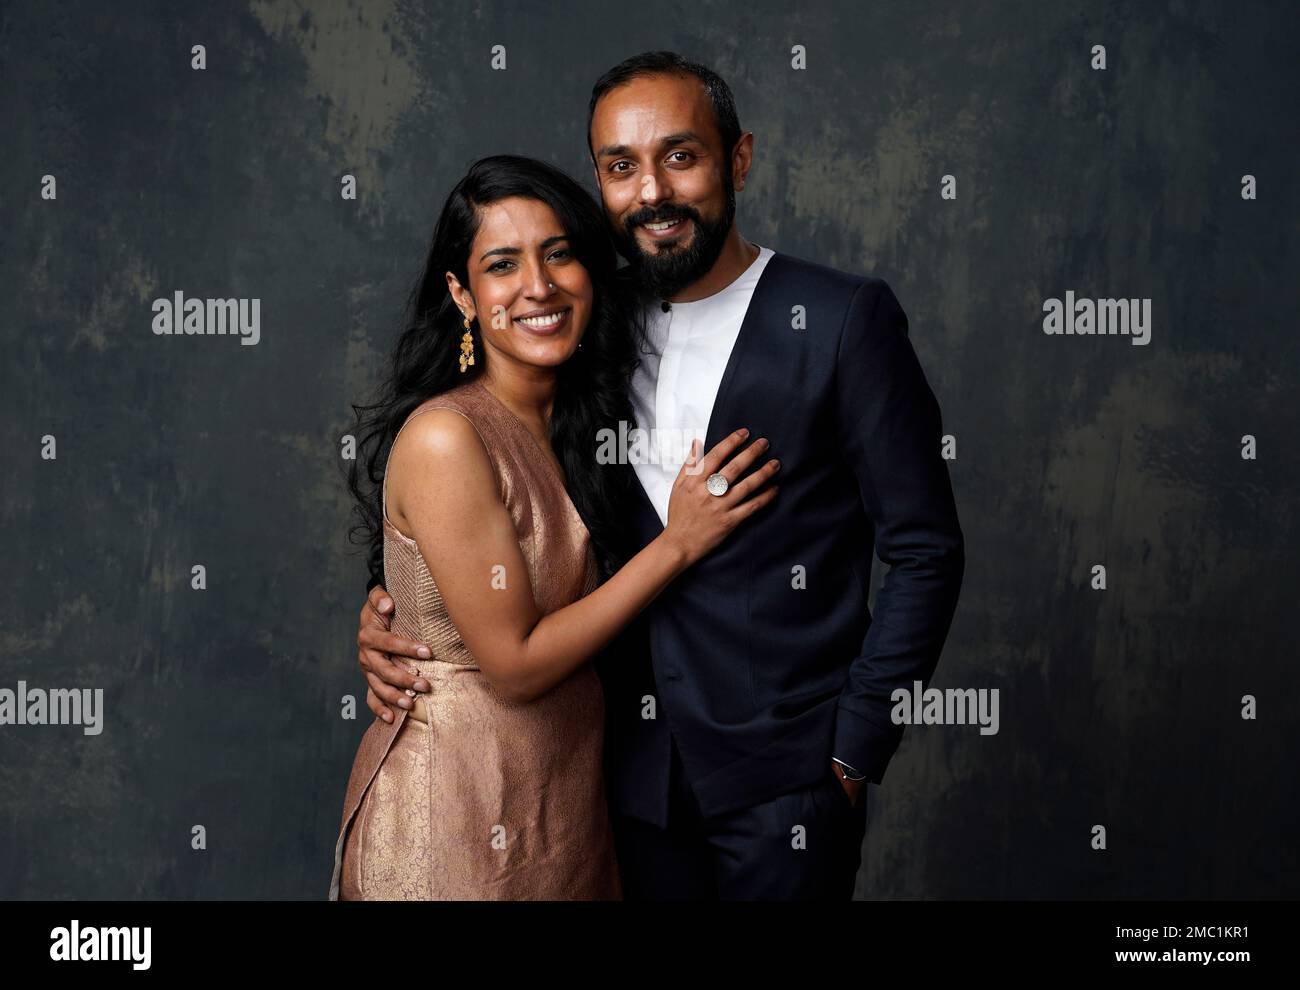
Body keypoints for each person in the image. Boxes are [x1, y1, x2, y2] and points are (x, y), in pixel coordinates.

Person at [357, 51, 965, 900]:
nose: (652, 192)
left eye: (680, 156)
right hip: (612, 792)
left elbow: (927, 550)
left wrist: (855, 745)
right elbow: (490, 503)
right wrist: (398, 611)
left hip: (786, 788)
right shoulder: (579, 331)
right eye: (621, 167)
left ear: (737, 159)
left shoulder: (839, 319)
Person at [328, 154, 779, 900]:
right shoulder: (448, 436)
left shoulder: (584, 425)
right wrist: (680, 542)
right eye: (502, 265)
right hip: (453, 815)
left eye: (559, 254)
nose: (538, 286)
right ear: (461, 294)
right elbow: (515, 662)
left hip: (562, 812)